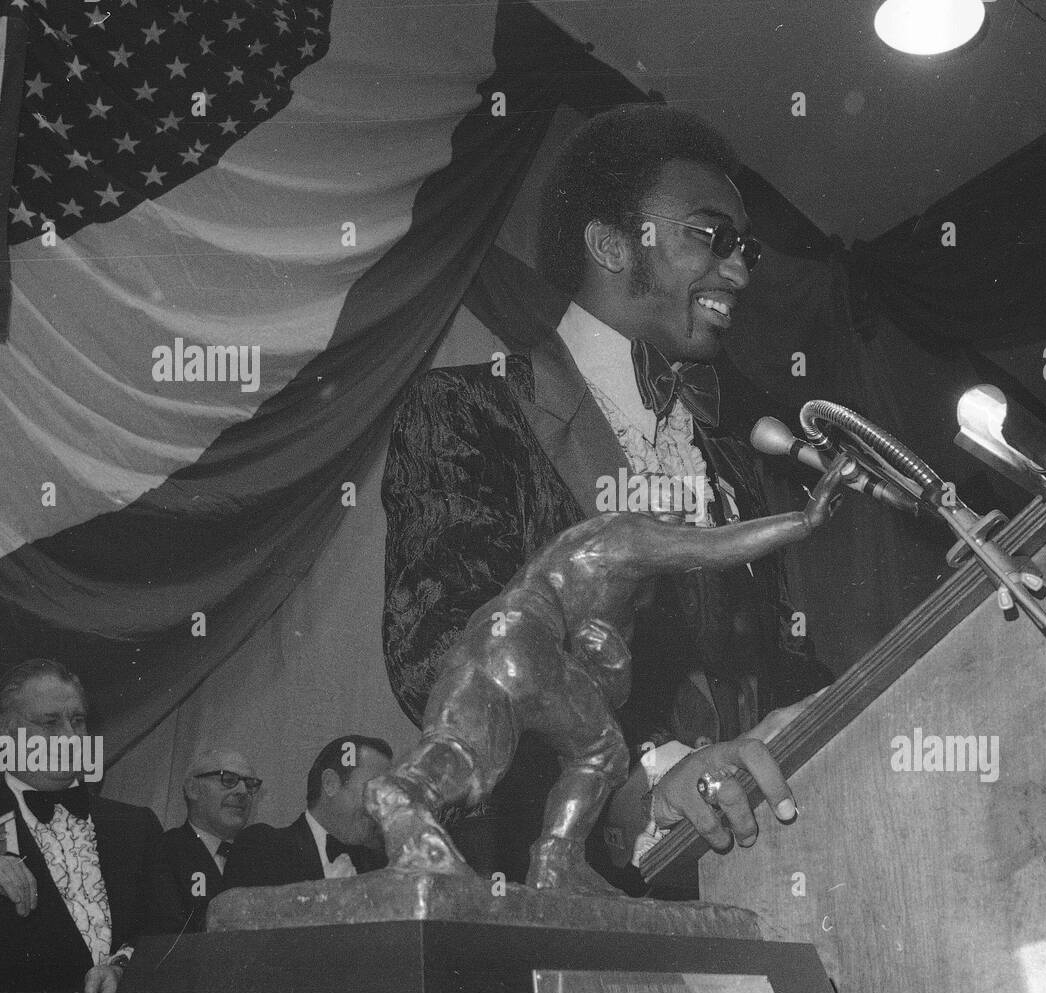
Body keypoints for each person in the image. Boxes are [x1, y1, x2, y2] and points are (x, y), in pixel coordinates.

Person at [382, 103, 832, 891]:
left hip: (759, 887)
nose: (738, 270)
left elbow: (773, 666)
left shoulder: (737, 457)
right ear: (611, 244)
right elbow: (442, 649)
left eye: (747, 248)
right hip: (561, 904)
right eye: (711, 237)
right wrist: (650, 771)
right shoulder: (464, 410)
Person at [0, 659, 161, 993]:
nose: (70, 737)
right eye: (50, 723)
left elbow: (169, 928)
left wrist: (122, 968)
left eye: (77, 721)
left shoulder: (136, 825)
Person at [223, 736, 390, 888]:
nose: (382, 805)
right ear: (330, 783)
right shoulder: (262, 848)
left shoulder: (383, 864)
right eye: (374, 789)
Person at [146, 748, 257, 934]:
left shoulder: (259, 858)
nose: (243, 791)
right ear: (193, 788)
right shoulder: (165, 852)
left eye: (250, 784)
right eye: (228, 780)